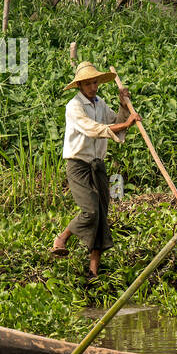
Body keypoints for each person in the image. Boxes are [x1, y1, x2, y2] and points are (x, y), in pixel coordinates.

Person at [50, 61, 140, 276]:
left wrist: (123, 105)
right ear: (80, 86)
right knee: (90, 212)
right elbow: (94, 129)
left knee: (101, 215)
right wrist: (126, 125)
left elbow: (114, 123)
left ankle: (93, 270)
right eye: (88, 84)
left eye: (95, 82)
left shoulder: (100, 104)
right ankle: (61, 238)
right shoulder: (74, 107)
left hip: (98, 164)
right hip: (79, 164)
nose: (93, 87)